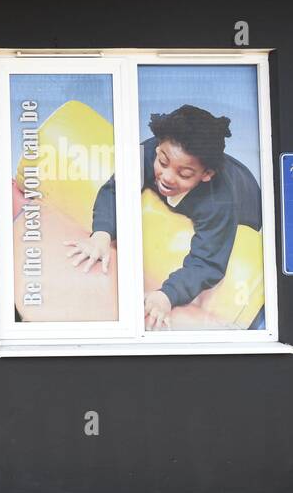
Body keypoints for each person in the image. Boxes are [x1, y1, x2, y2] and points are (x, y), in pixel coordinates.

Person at [67, 105, 261, 330]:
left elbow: (207, 262)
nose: (167, 177)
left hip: (247, 204)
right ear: (158, 147)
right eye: (163, 162)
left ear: (206, 174)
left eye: (184, 174)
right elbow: (115, 190)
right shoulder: (150, 151)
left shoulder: (220, 200)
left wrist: (167, 295)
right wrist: (101, 234)